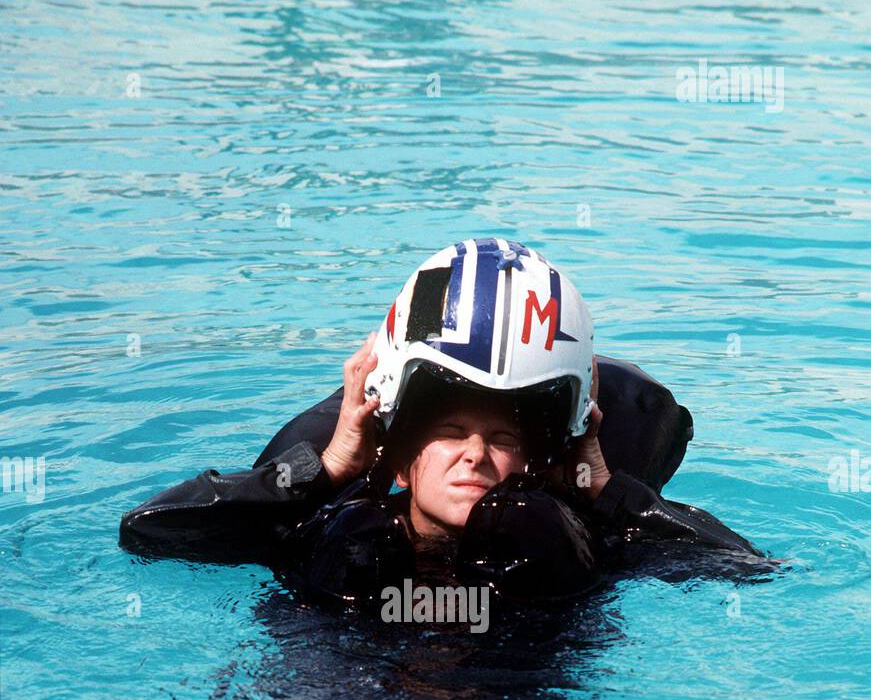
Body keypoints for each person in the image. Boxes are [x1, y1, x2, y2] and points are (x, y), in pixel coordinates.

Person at [120, 238, 772, 607]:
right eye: (448, 430)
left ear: (542, 454)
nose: (474, 455)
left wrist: (606, 490)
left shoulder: (582, 540)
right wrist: (320, 473)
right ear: (398, 448)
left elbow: (752, 571)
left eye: (504, 436)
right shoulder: (326, 523)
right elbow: (149, 532)